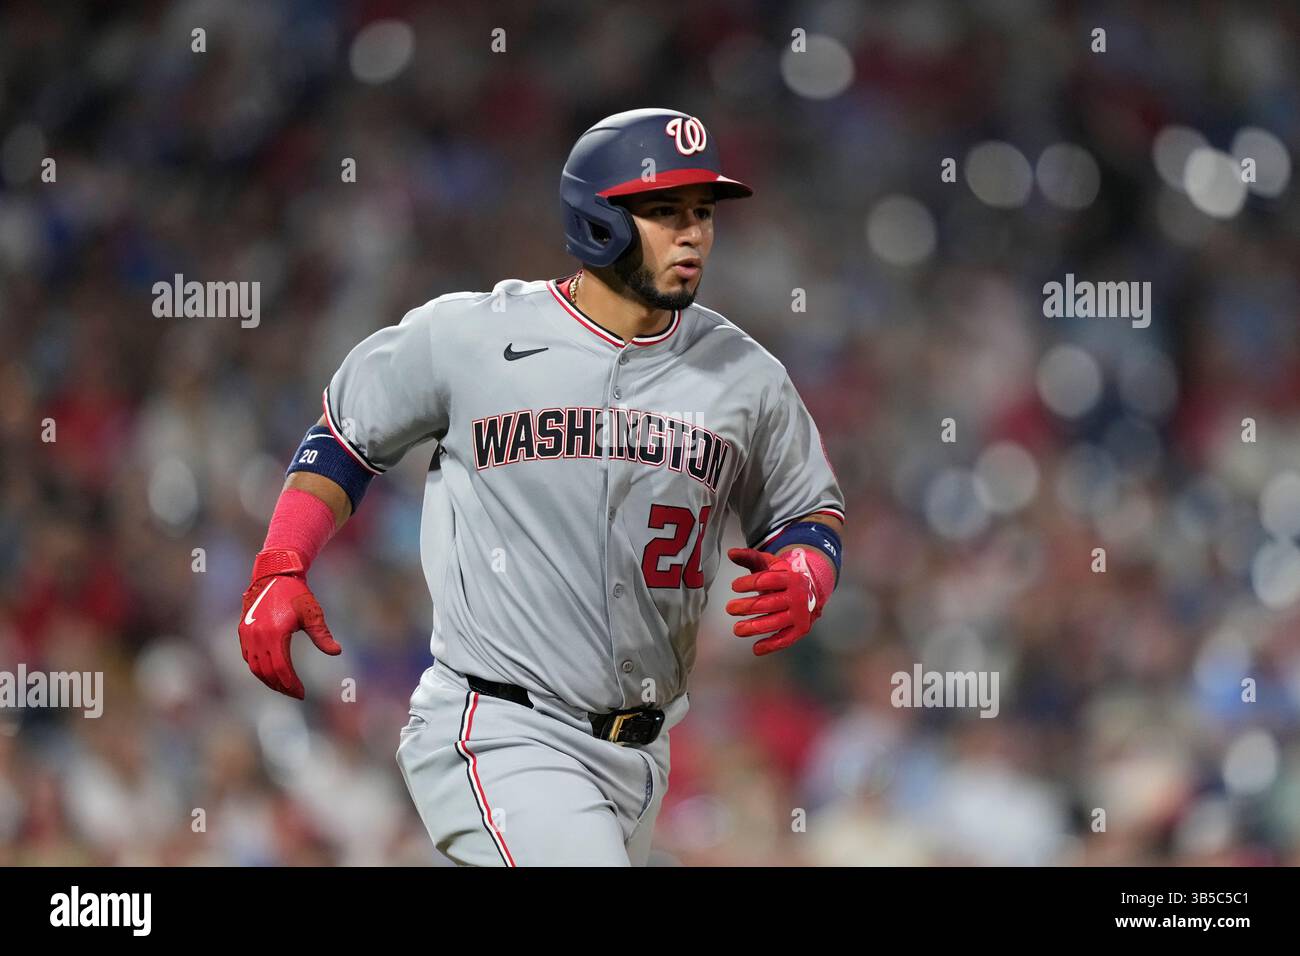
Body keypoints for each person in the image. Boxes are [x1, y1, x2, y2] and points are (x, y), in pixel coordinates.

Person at [237, 108, 846, 866]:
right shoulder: (473, 338)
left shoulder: (744, 375)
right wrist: (282, 562)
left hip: (644, 753)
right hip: (501, 726)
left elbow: (807, 511)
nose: (693, 233)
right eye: (663, 211)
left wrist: (807, 569)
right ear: (598, 220)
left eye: (701, 212)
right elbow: (344, 437)